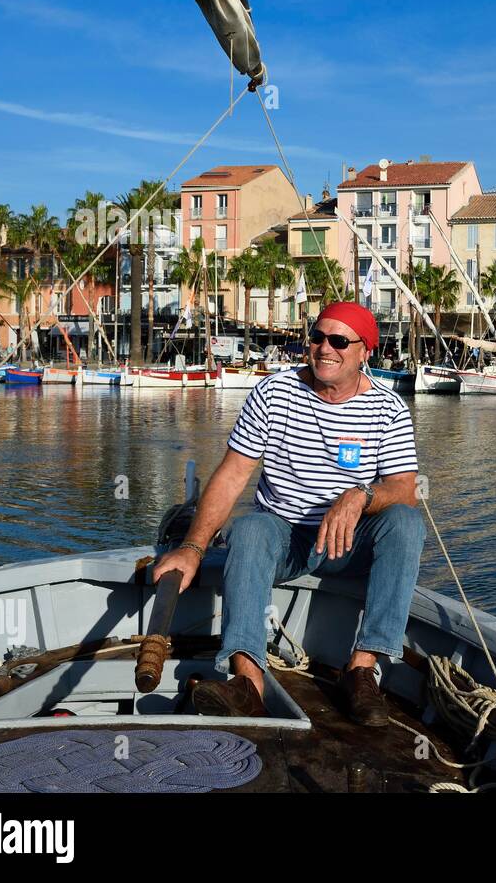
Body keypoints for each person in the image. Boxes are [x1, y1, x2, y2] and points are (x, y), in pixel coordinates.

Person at [153, 302, 425, 725]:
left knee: (406, 524)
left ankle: (361, 670)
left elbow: (404, 490)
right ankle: (247, 682)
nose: (324, 348)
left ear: (364, 351)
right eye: (317, 337)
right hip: (286, 539)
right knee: (250, 529)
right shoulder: (273, 393)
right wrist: (192, 546)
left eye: (339, 340)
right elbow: (232, 474)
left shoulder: (388, 409)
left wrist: (360, 496)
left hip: (349, 543)